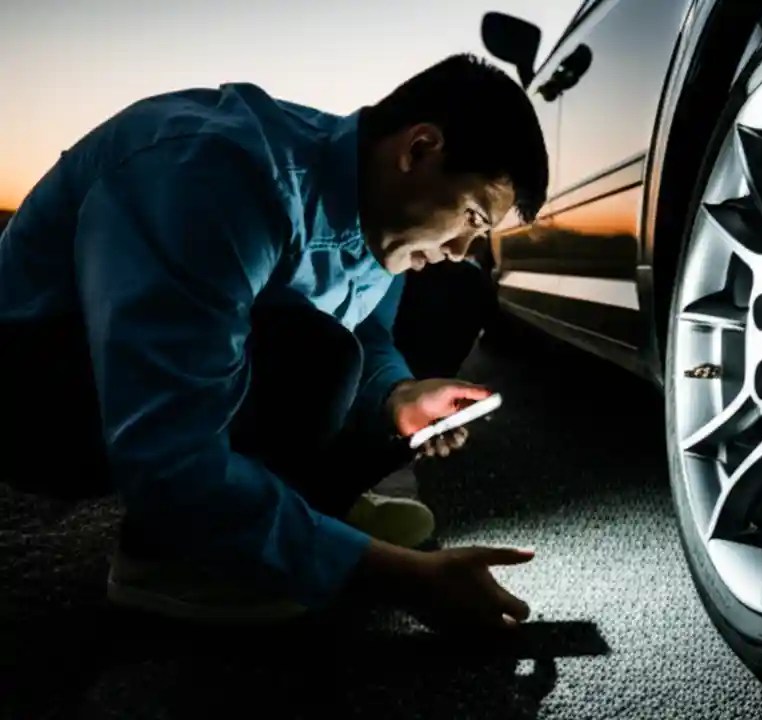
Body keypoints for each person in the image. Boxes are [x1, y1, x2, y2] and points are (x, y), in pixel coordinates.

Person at [0, 53, 548, 628]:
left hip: (180, 382)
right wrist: (404, 579)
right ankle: (166, 559)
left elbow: (369, 334)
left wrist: (399, 395)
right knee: (317, 352)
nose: (463, 246)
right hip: (35, 394)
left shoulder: (380, 210)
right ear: (418, 150)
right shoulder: (216, 177)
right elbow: (169, 452)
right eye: (470, 217)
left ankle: (297, 513)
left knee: (448, 294)